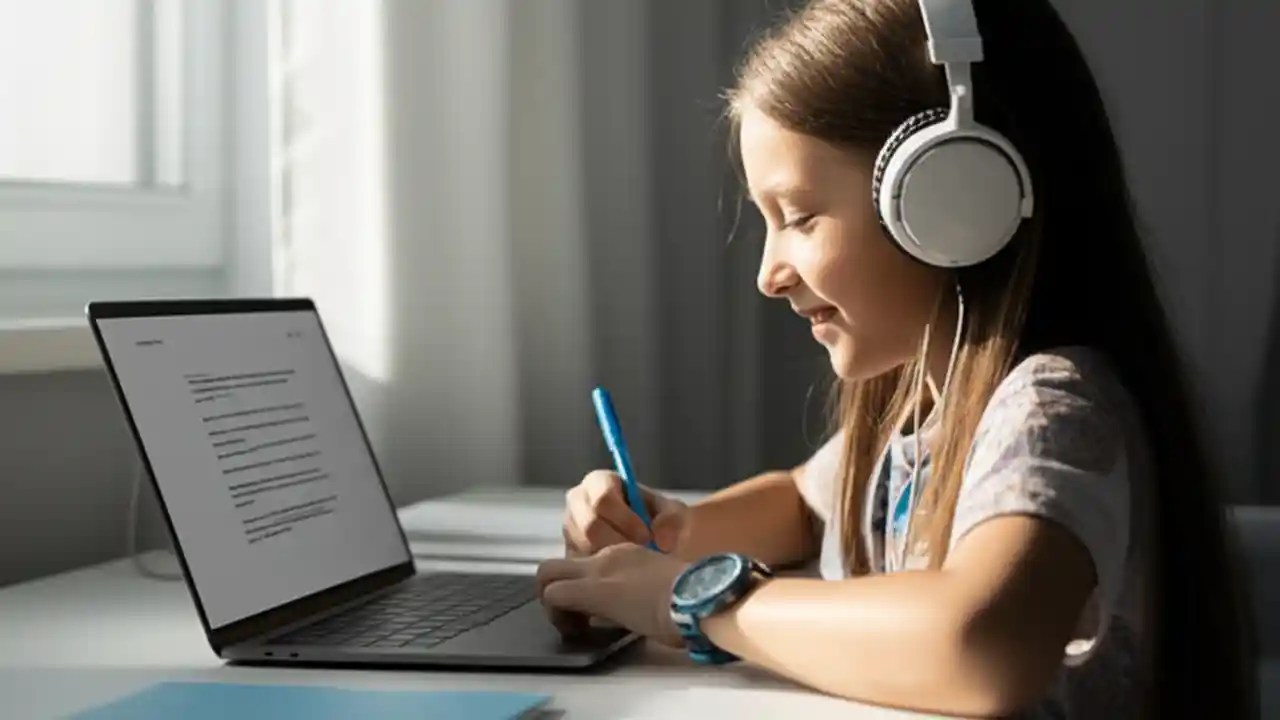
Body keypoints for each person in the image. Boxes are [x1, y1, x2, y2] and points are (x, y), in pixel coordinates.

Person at [535, 0, 1256, 716]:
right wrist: (670, 534)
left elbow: (977, 644)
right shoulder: (922, 401)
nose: (769, 272)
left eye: (800, 217)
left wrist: (692, 598)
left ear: (948, 197)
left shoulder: (1050, 408)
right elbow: (805, 504)